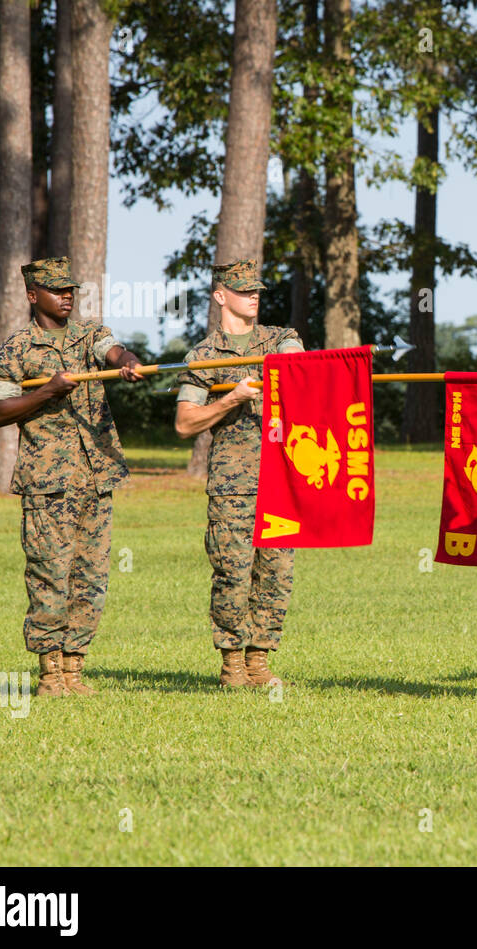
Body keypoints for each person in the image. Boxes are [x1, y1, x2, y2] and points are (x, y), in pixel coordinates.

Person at [0, 257, 144, 697]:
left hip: (96, 476)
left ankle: (75, 668)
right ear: (33, 295)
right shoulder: (17, 348)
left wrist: (128, 360)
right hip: (47, 483)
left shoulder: (89, 334)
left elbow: (112, 351)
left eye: (70, 288)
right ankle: (50, 672)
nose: (67, 295)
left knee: (90, 577)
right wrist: (48, 391)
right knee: (49, 574)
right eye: (57, 290)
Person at [174, 259, 304, 689]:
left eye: (257, 291)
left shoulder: (279, 339)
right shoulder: (204, 357)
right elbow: (185, 423)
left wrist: (284, 368)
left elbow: (298, 365)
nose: (254, 296)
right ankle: (232, 662)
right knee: (232, 571)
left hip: (282, 480)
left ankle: (260, 661)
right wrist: (231, 399)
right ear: (220, 296)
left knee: (277, 574)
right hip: (233, 485)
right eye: (244, 289)